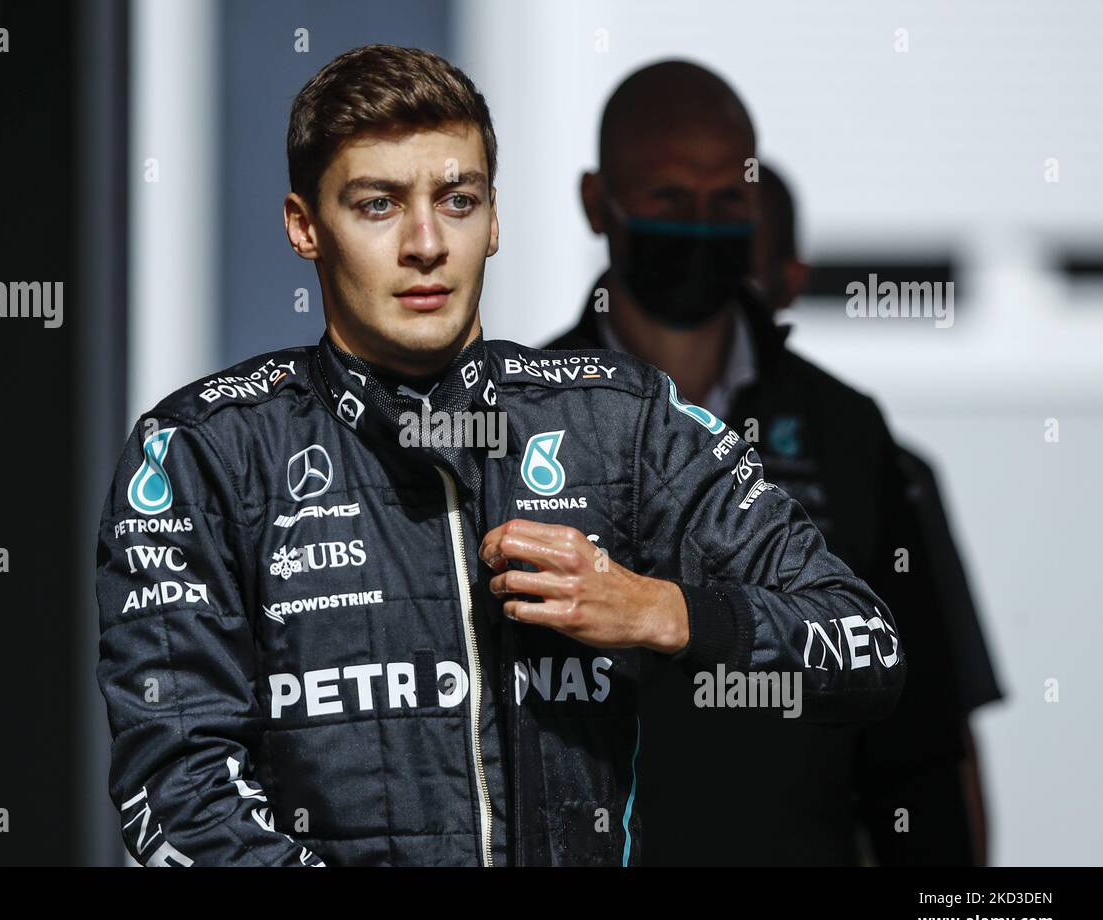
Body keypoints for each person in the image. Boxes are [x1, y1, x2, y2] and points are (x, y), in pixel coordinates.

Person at [95, 44, 904, 867]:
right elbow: (178, 794)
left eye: (457, 200)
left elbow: (868, 644)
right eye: (378, 205)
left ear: (494, 219)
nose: (425, 243)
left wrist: (661, 611)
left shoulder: (617, 420)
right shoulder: (204, 451)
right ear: (306, 226)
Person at [546, 61, 998, 865]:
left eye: (726, 199)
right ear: (597, 203)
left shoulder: (845, 429)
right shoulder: (528, 418)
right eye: (667, 197)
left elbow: (919, 740)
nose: (698, 222)